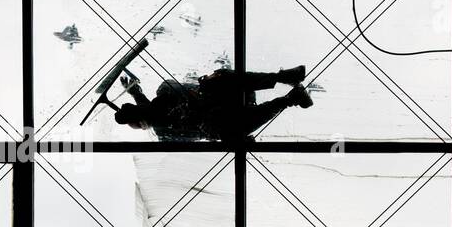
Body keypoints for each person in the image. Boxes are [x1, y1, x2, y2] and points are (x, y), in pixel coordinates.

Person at [113, 66, 312, 141]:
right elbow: (151, 112)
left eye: (139, 124)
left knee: (221, 81)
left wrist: (136, 95)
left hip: (230, 103)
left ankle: (287, 88)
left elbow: (151, 112)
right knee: (230, 127)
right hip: (231, 114)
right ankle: (289, 91)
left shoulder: (163, 103)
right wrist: (136, 94)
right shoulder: (163, 123)